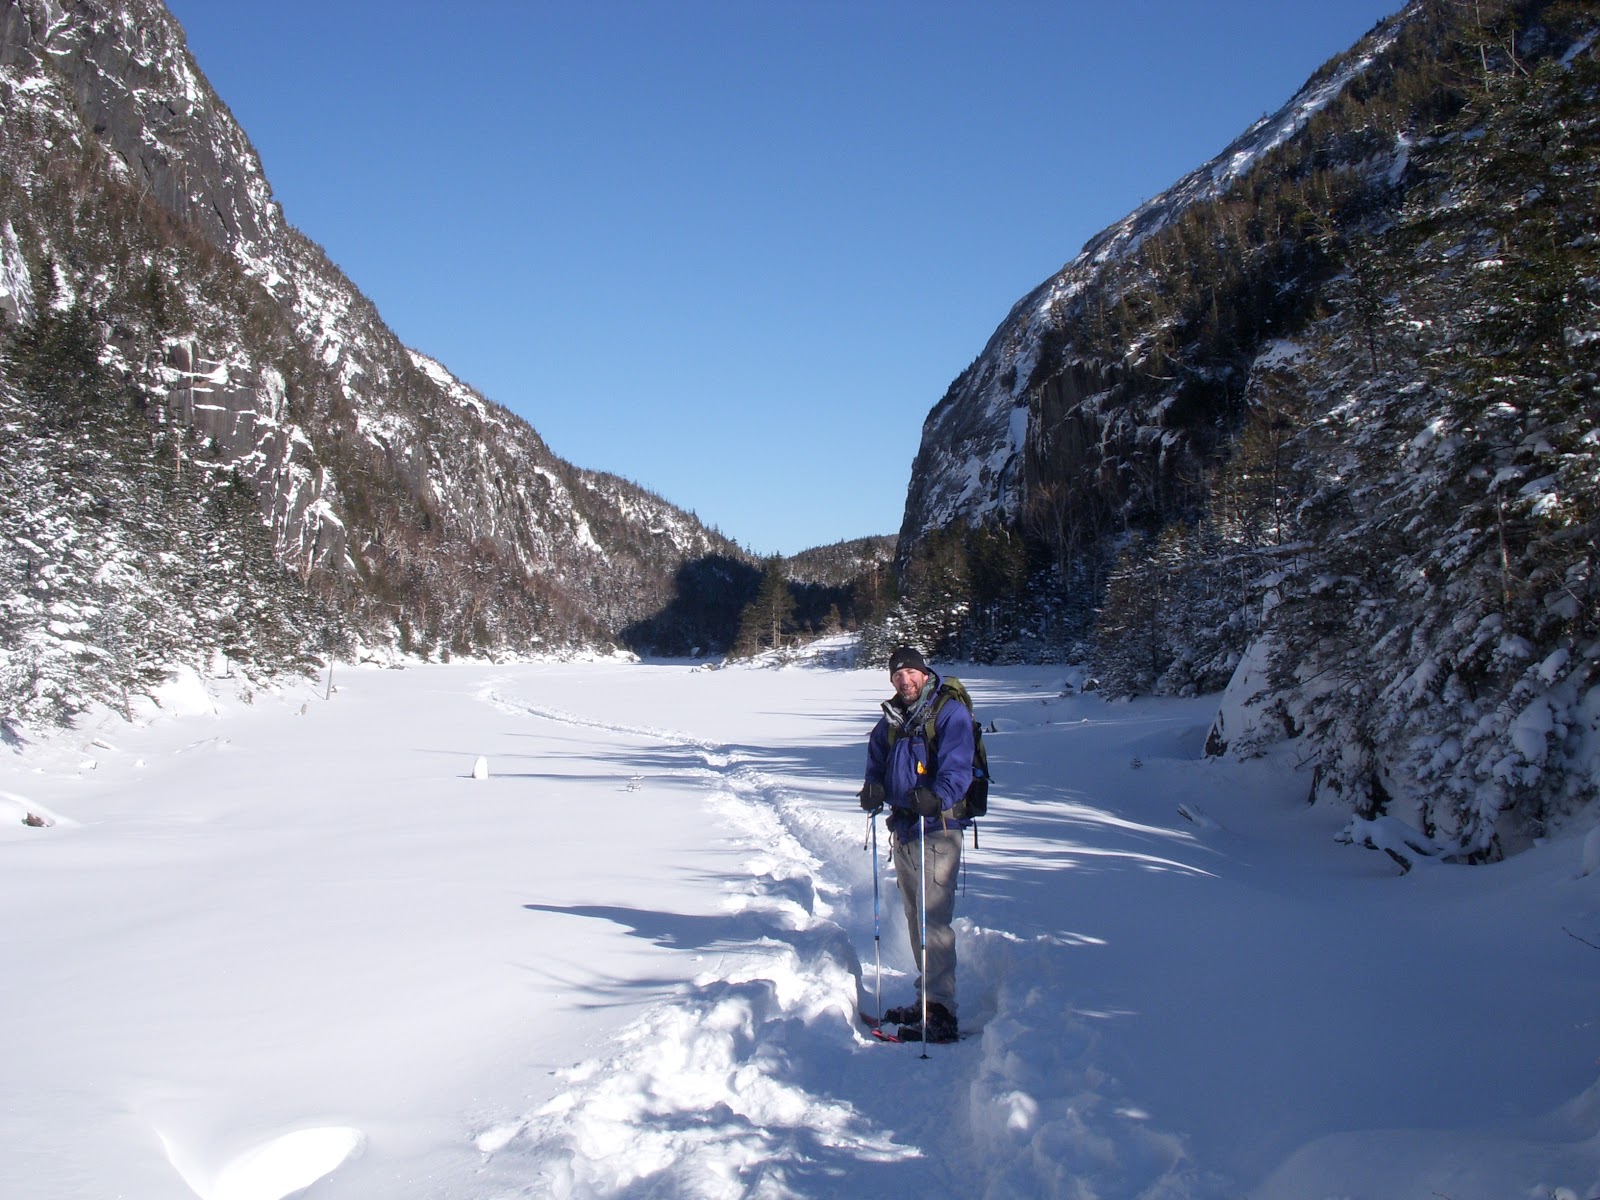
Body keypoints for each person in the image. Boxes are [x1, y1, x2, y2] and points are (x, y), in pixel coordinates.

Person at [858, 645, 974, 1042]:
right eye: (897, 675)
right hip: (905, 828)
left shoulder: (949, 711)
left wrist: (938, 796)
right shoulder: (892, 717)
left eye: (910, 673)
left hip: (939, 828)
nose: (904, 680)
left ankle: (941, 1010)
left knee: (933, 920)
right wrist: (872, 788)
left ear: (924, 674)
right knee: (915, 916)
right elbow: (877, 756)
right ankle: (928, 999)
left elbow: (959, 766)